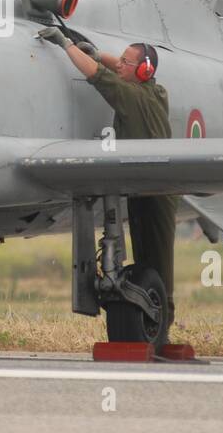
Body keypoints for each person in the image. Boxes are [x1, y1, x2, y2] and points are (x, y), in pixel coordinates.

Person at [36, 28, 176, 344]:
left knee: (156, 260)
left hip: (155, 194)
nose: (119, 65)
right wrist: (98, 52)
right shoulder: (156, 91)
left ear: (141, 71)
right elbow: (108, 65)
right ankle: (157, 327)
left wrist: (67, 45)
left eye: (126, 63)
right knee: (151, 258)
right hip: (150, 187)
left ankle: (161, 330)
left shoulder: (130, 95)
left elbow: (95, 74)